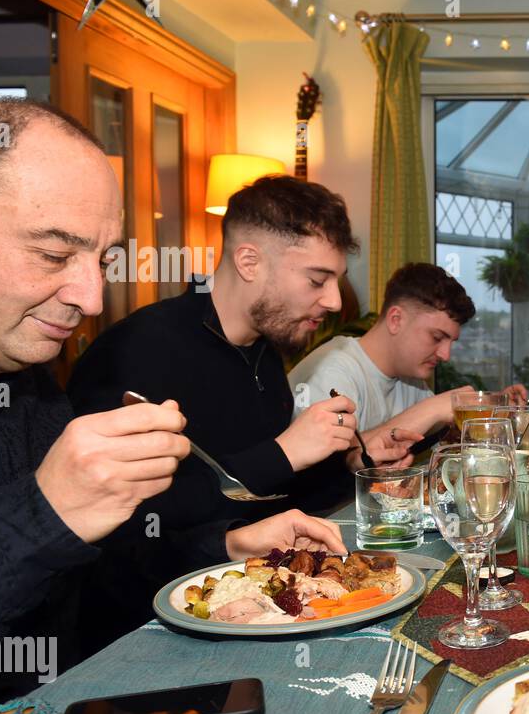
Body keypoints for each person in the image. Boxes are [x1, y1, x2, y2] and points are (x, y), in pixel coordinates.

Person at [0, 99, 344, 714]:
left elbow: (109, 564)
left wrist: (222, 544)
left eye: (104, 260)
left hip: (69, 713)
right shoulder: (128, 352)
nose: (90, 297)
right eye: (54, 254)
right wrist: (45, 513)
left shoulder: (33, 391)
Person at [68, 175, 414, 535]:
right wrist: (283, 453)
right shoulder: (136, 350)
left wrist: (353, 465)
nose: (335, 301)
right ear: (249, 262)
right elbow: (134, 523)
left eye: (336, 281)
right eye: (317, 280)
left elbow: (274, 498)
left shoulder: (263, 353)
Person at [288, 262, 527, 448]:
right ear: (396, 320)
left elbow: (444, 431)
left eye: (451, 342)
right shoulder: (332, 370)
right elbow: (334, 465)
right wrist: (431, 409)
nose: (445, 354)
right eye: (436, 337)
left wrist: (496, 405)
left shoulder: (410, 378)